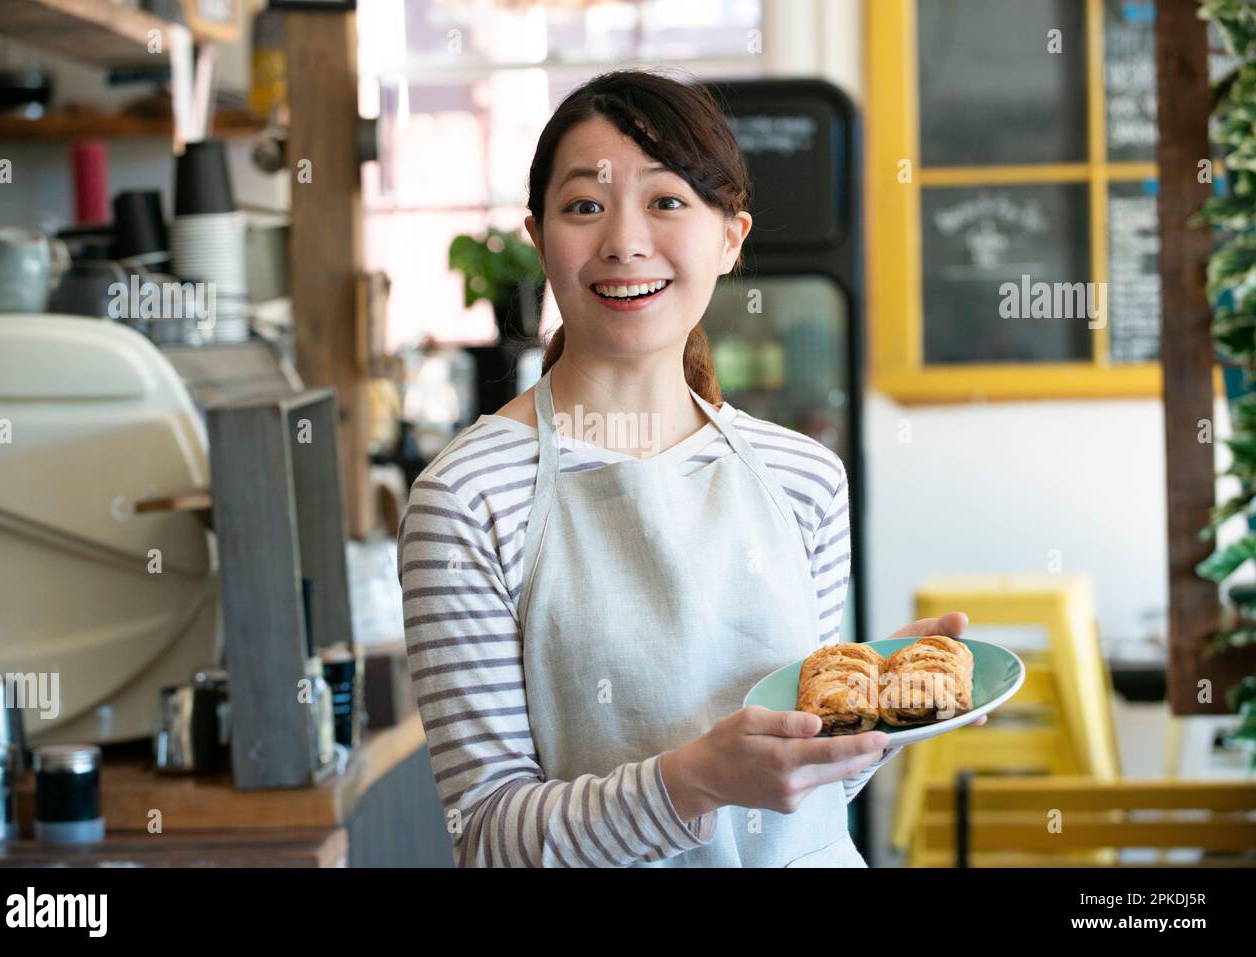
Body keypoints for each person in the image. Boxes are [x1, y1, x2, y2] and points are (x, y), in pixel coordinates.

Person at [397, 68, 983, 867]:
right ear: (539, 237)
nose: (624, 241)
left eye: (667, 201)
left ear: (731, 237)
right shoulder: (466, 499)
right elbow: (490, 834)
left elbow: (806, 792)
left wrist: (876, 712)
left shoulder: (805, 476)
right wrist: (691, 783)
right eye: (584, 206)